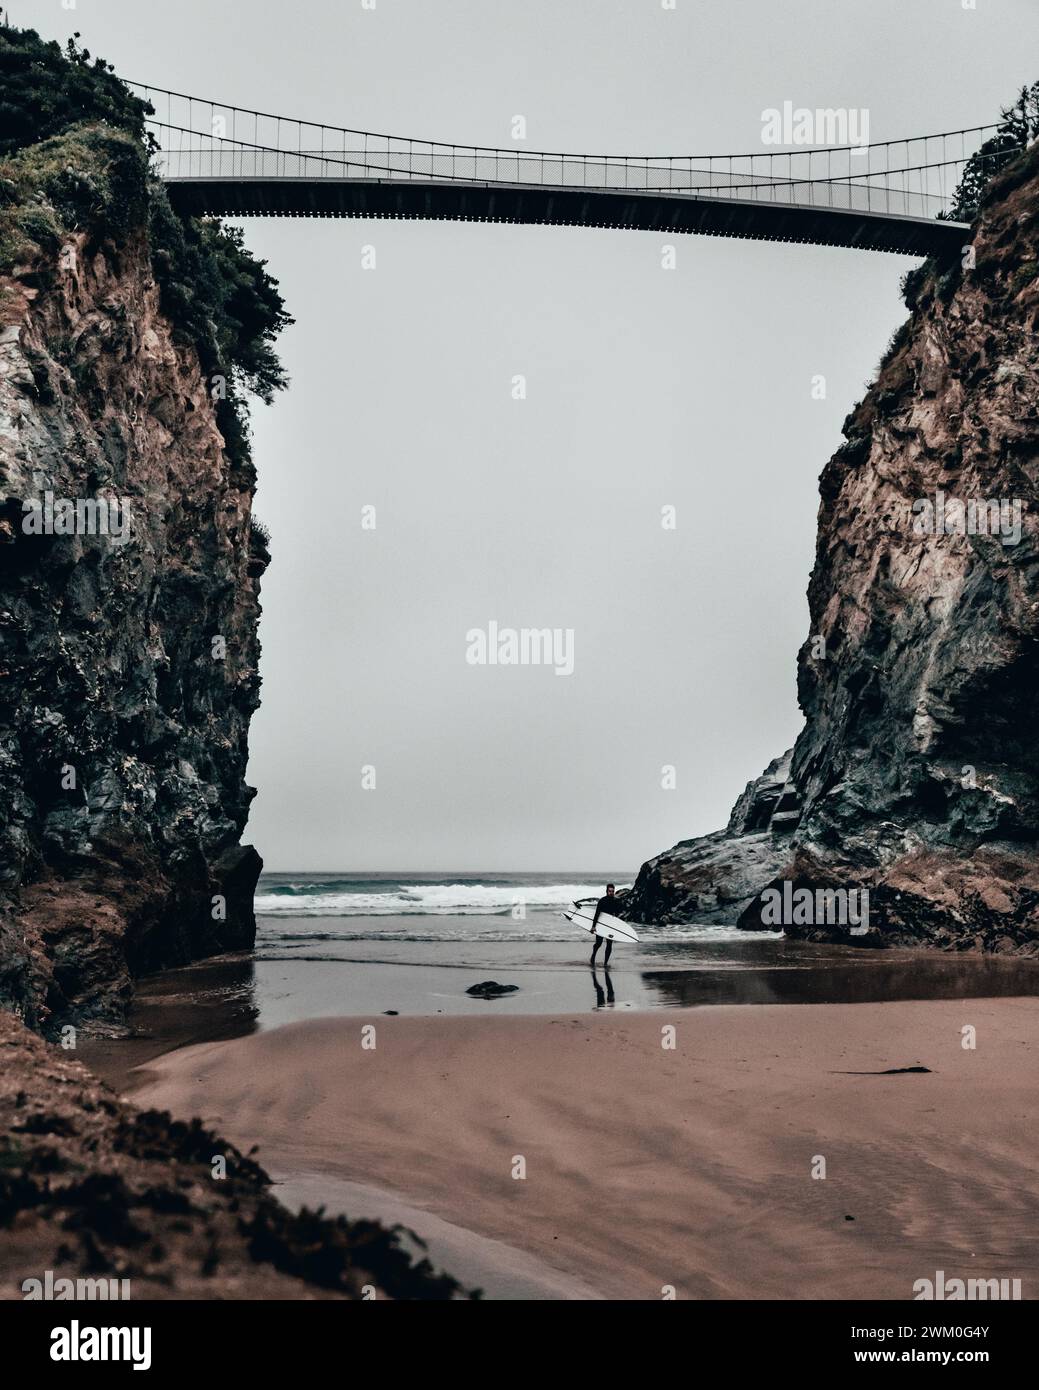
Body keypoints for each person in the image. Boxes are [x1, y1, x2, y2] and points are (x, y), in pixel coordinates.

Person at [589, 883, 620, 967]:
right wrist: (593, 926)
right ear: (606, 891)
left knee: (609, 944)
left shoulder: (615, 901)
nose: (611, 893)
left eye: (613, 891)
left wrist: (615, 915)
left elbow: (618, 913)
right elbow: (597, 914)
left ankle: (605, 963)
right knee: (598, 943)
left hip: (610, 925)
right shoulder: (602, 901)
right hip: (601, 924)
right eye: (610, 891)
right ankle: (593, 955)